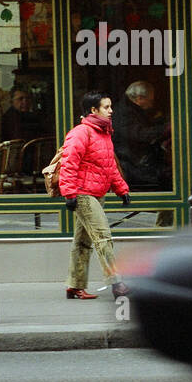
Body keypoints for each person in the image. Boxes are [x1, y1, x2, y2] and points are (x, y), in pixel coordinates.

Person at [59, 91, 130, 301]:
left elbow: (109, 167)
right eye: (106, 107)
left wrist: (121, 189)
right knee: (103, 237)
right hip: (82, 194)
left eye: (110, 106)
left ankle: (74, 286)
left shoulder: (103, 133)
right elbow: (68, 164)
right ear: (93, 110)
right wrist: (70, 193)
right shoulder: (81, 133)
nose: (111, 111)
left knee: (82, 242)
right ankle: (117, 283)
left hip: (96, 193)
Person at [113, 81, 171, 190]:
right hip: (131, 165)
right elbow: (141, 134)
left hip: (136, 162)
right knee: (170, 177)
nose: (152, 105)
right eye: (150, 101)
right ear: (139, 98)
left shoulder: (130, 109)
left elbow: (144, 127)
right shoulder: (123, 112)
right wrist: (166, 128)